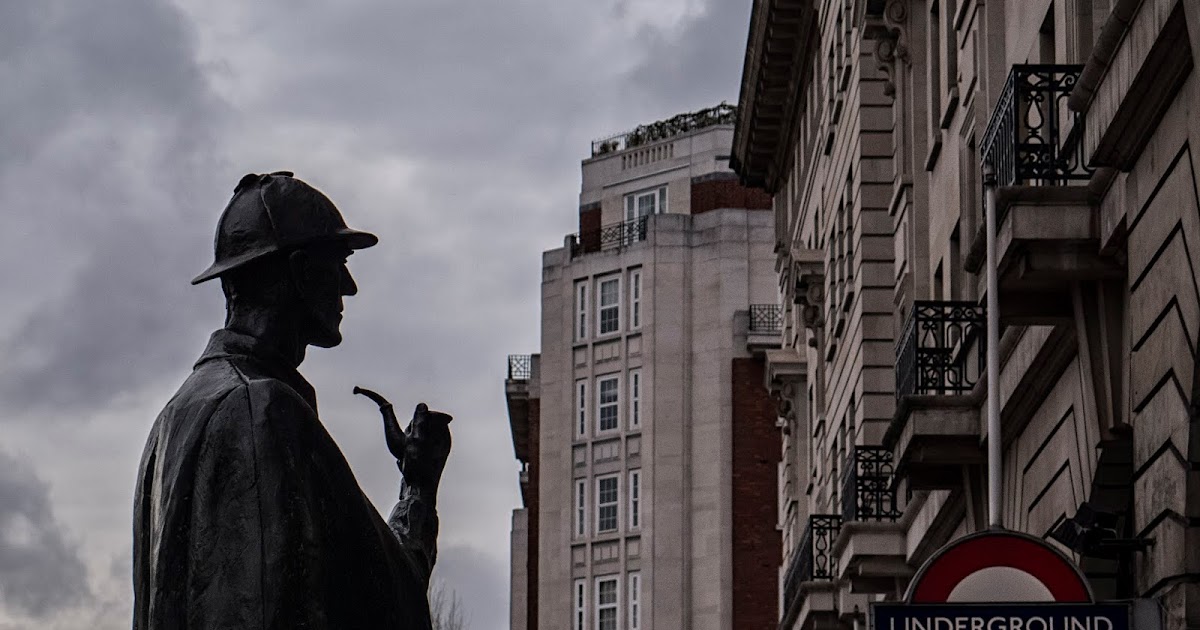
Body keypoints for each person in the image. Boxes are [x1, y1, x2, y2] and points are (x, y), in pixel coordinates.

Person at [132, 172, 451, 629]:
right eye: (339, 263)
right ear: (302, 273)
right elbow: (395, 602)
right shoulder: (263, 409)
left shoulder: (170, 422)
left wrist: (416, 484)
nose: (349, 286)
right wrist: (419, 489)